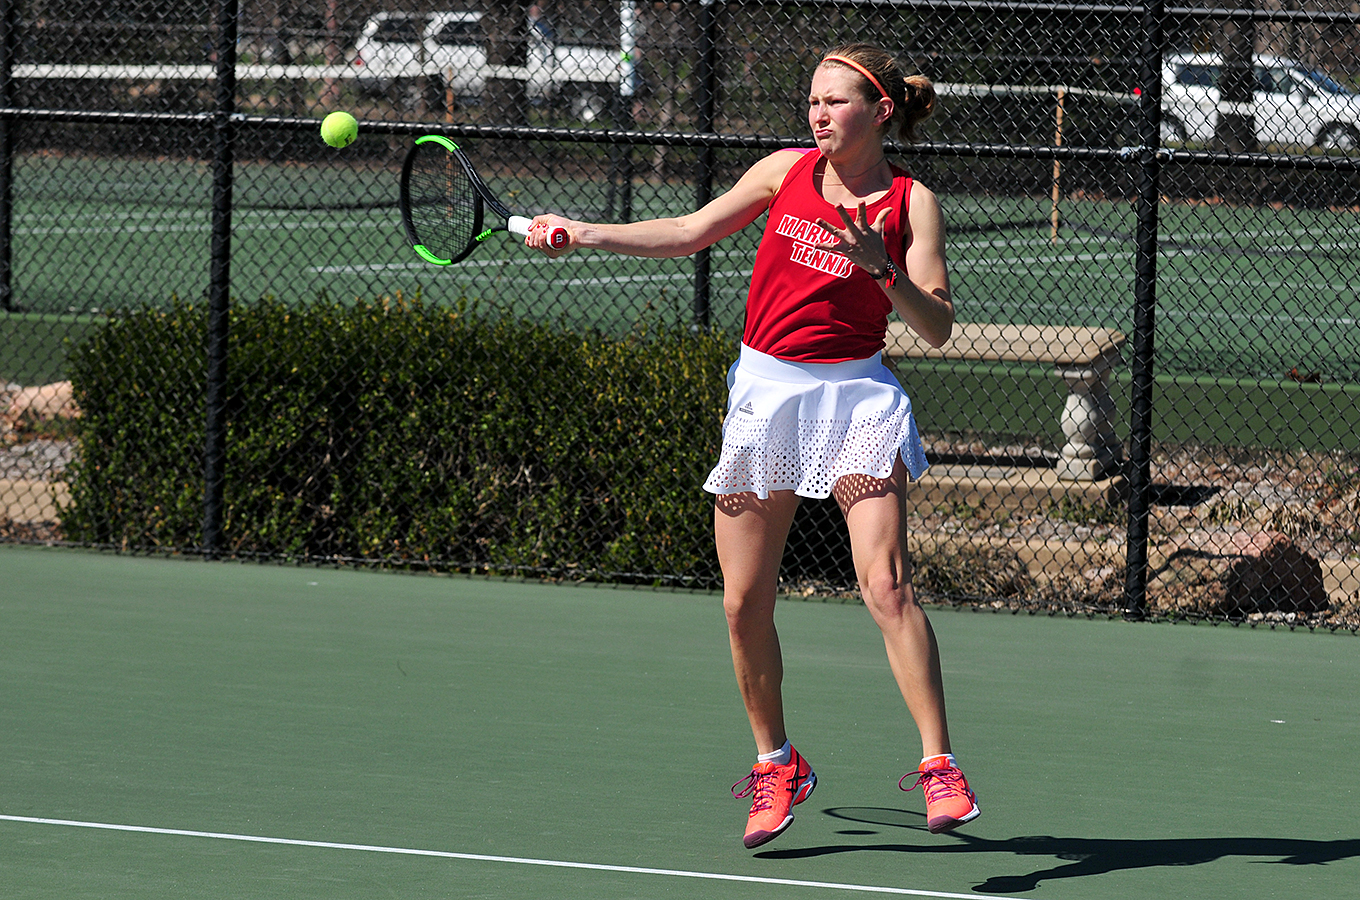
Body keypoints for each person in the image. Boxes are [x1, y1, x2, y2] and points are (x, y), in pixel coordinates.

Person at [524, 43, 979, 850]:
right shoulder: (783, 172)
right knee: (743, 603)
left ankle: (940, 765)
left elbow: (938, 327)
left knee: (887, 586)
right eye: (812, 101)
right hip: (767, 395)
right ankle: (776, 764)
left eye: (836, 102)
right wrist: (585, 231)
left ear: (879, 112)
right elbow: (690, 230)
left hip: (858, 397)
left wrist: (883, 273)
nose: (818, 114)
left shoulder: (913, 204)